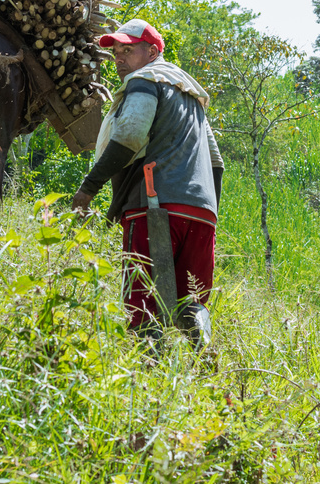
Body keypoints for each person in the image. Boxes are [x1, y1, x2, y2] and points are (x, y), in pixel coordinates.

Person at [71, 19, 224, 351]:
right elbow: (216, 163)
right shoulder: (192, 96)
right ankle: (205, 359)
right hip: (201, 215)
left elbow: (130, 136)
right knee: (190, 301)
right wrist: (207, 212)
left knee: (143, 305)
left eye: (129, 50)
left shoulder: (145, 81)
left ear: (153, 52)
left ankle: (146, 382)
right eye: (116, 53)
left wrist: (88, 188)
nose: (120, 59)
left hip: (153, 207)